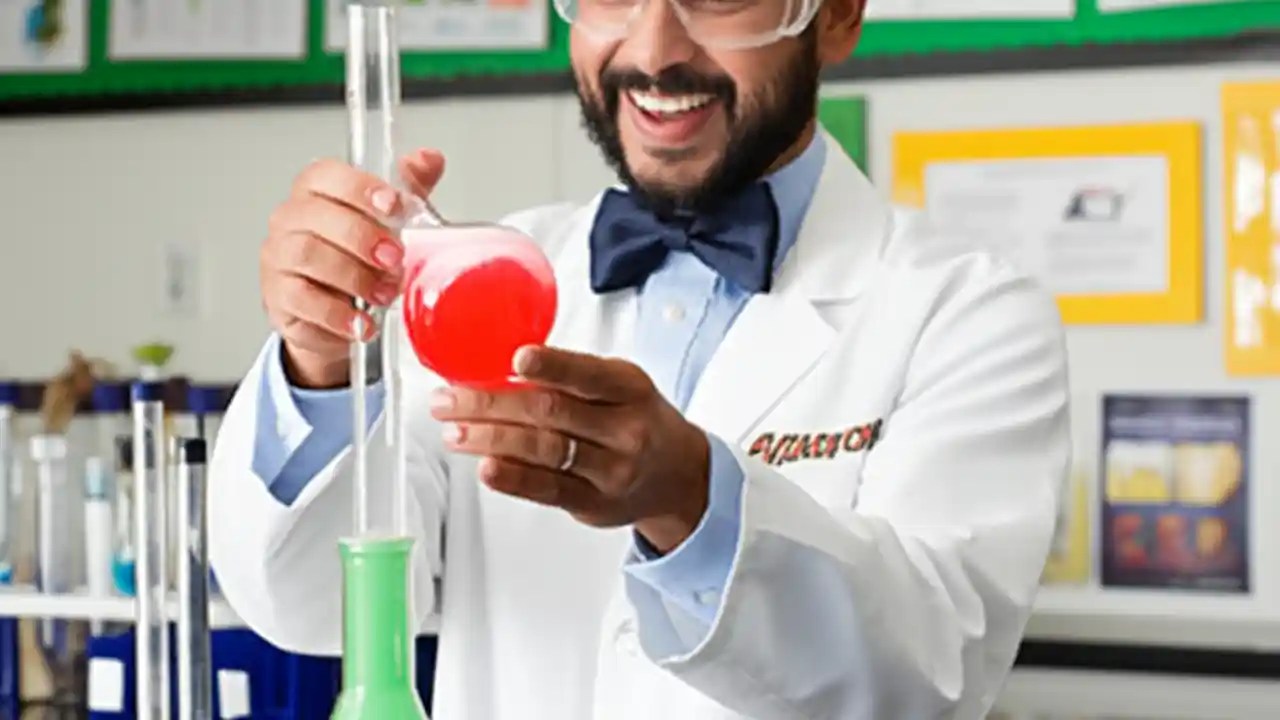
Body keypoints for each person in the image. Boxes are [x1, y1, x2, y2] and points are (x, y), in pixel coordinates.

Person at [207, 0, 1071, 715]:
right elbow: (310, 604)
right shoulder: (487, 284)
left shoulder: (968, 313)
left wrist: (693, 502)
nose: (655, 51)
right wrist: (322, 363)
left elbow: (929, 676)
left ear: (837, 15)